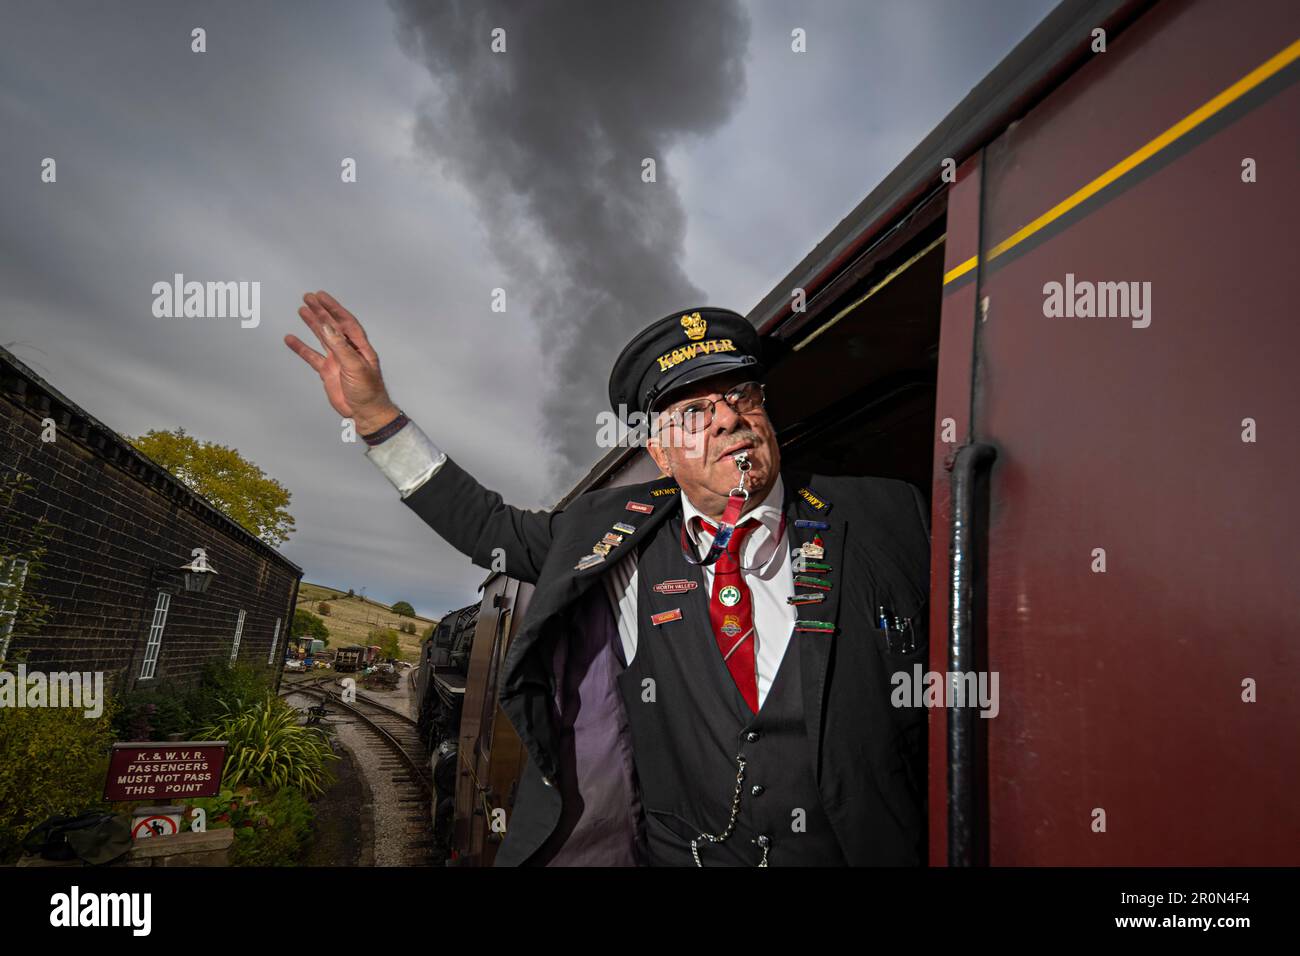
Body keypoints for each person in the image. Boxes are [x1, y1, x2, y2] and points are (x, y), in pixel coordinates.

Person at [286, 292, 931, 866]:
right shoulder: (620, 539)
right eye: (694, 413)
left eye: (743, 399)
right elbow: (490, 528)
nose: (729, 419)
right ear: (661, 453)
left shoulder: (886, 516)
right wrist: (376, 418)